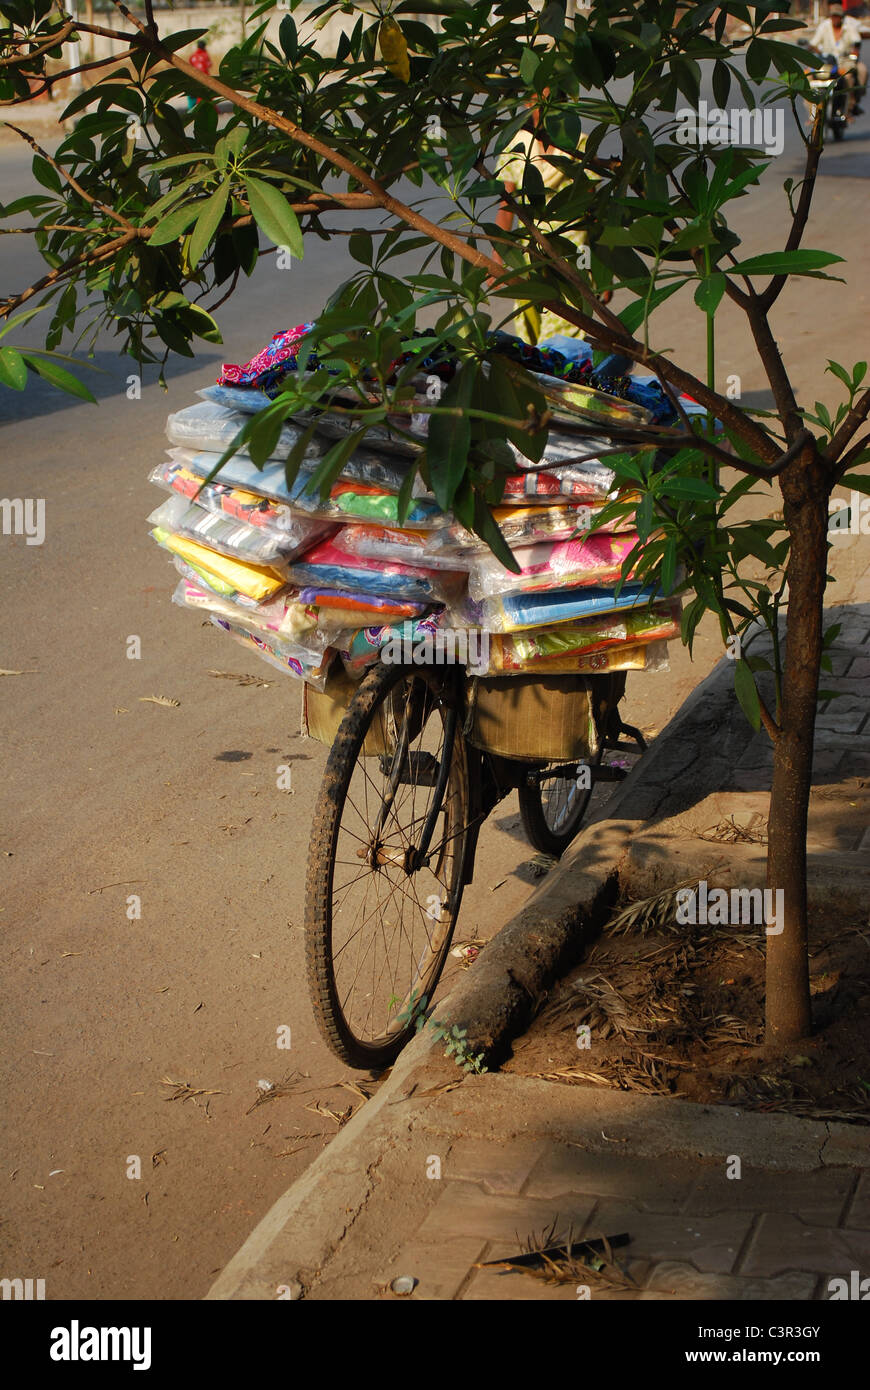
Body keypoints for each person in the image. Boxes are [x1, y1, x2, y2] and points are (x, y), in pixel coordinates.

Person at [811, 3, 867, 115]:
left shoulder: (848, 27)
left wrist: (855, 52)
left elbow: (856, 41)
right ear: (830, 17)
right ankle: (812, 113)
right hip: (827, 63)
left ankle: (851, 106)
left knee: (857, 73)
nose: (835, 19)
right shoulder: (824, 26)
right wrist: (818, 52)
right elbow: (813, 44)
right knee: (809, 80)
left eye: (837, 16)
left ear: (842, 17)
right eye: (833, 16)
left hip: (844, 62)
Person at [187, 40, 212, 112]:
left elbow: (190, 66)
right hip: (205, 79)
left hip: (194, 78)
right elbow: (209, 65)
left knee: (193, 96)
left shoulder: (192, 56)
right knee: (207, 95)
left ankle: (192, 110)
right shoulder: (205, 55)